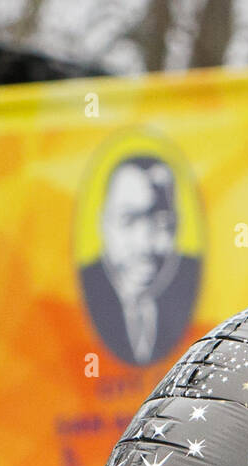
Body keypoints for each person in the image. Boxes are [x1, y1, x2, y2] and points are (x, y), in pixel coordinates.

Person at [78, 155, 201, 366]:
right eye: (128, 220)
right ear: (103, 224)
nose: (144, 243)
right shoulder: (78, 294)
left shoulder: (189, 278)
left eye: (161, 222)